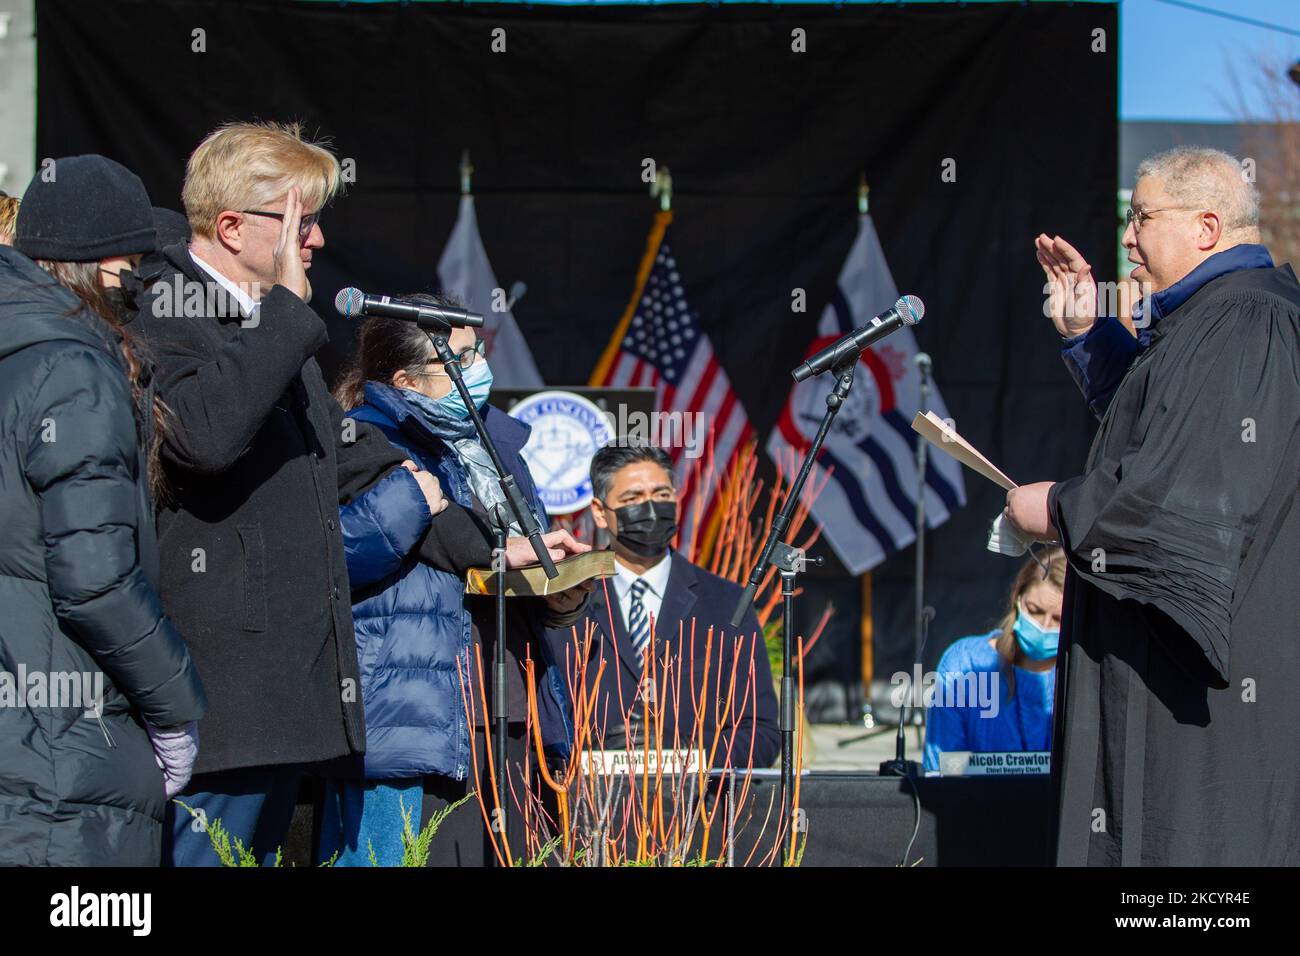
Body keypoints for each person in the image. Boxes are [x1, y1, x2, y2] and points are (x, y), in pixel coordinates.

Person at [126, 121, 447, 866]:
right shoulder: (162, 306)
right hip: (222, 707)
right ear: (232, 225)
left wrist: (477, 527)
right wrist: (284, 315)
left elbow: (331, 463)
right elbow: (202, 439)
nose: (317, 239)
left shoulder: (272, 317)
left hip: (285, 707)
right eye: (300, 220)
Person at [1011, 146, 1300, 865]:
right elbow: (1163, 427)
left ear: (1207, 226)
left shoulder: (1249, 323)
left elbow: (1186, 495)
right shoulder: (1212, 318)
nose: (1128, 237)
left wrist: (1060, 509)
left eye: (1142, 217)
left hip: (1207, 706)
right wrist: (1087, 331)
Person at [318, 303, 591, 866]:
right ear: (406, 382)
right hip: (422, 713)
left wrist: (559, 599)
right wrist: (496, 545)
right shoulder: (363, 439)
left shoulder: (499, 448)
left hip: (513, 703)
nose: (478, 367)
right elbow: (416, 541)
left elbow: (514, 571)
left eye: (478, 352)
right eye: (459, 359)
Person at [0, 155, 207, 865]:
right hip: (62, 758)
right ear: (101, 261)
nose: (143, 281)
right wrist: (177, 711)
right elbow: (95, 578)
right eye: (136, 259)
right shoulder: (72, 367)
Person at [555, 443, 780, 770]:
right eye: (632, 499)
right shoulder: (567, 599)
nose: (649, 508)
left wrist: (683, 757)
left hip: (695, 811)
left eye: (661, 495)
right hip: (587, 807)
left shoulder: (727, 603)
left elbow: (762, 731)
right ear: (600, 512)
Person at [923, 549, 1064, 774]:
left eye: (1058, 619)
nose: (1044, 626)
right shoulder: (964, 662)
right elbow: (942, 770)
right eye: (1034, 611)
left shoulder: (1090, 679)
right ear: (1017, 599)